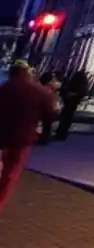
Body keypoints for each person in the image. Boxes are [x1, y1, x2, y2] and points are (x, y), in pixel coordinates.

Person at [0, 61, 57, 213]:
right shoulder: (40, 92)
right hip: (22, 140)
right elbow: (50, 115)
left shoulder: (4, 88)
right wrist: (45, 134)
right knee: (10, 174)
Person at [55, 71, 89, 140]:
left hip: (69, 104)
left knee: (65, 118)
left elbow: (66, 92)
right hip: (72, 105)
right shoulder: (82, 86)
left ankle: (60, 134)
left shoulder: (74, 84)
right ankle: (62, 134)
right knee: (67, 119)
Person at [37, 72, 60, 145]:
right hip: (49, 108)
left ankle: (43, 138)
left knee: (46, 125)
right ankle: (44, 138)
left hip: (45, 107)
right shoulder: (51, 87)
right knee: (47, 125)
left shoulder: (40, 86)